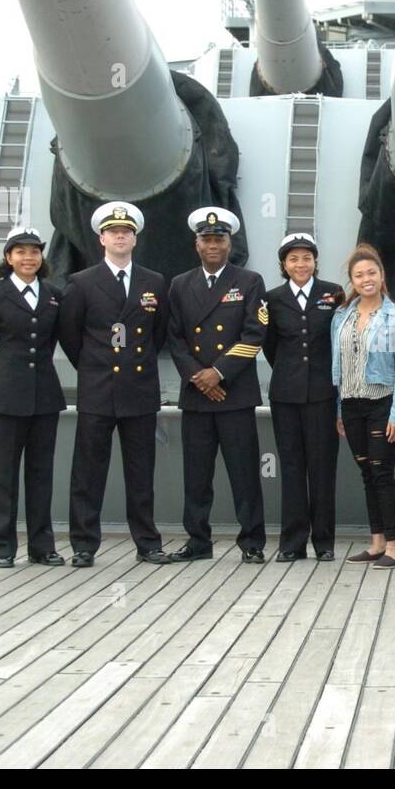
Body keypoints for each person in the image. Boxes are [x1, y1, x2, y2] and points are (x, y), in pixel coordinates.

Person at [57, 201, 171, 567]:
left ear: (135, 238)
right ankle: (84, 545)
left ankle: (148, 543)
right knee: (88, 473)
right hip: (98, 390)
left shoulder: (154, 282)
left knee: (141, 473)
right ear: (101, 237)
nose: (120, 236)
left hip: (139, 390)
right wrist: (95, 367)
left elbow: (160, 333)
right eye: (113, 231)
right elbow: (71, 336)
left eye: (127, 232)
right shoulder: (81, 283)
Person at [166, 207, 269, 564]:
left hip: (235, 394)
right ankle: (198, 541)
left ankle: (252, 542)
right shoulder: (180, 284)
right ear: (196, 245)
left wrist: (218, 373)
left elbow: (255, 334)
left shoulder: (249, 281)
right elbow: (175, 338)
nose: (213, 244)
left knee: (243, 473)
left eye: (219, 239)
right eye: (206, 239)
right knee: (196, 474)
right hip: (197, 395)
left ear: (230, 243)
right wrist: (200, 377)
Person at [0, 225, 67, 568]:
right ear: (8, 257)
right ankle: (2, 547)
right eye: (21, 251)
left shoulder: (55, 294)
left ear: (42, 257)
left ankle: (42, 546)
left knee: (41, 474)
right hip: (6, 396)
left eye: (34, 251)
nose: (28, 257)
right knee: (4, 475)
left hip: (45, 396)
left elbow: (63, 340)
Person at [332, 244, 395, 570]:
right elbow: (338, 366)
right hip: (351, 405)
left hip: (382, 405)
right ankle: (376, 543)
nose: (366, 279)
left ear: (382, 276)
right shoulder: (341, 316)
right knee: (367, 474)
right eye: (359, 275)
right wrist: (340, 409)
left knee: (383, 474)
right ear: (352, 280)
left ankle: (394, 548)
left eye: (372, 273)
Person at [263, 233, 344, 562]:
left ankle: (324, 542)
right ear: (284, 264)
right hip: (286, 396)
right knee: (293, 468)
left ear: (315, 261)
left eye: (306, 258)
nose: (301, 264)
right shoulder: (272, 298)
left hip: (324, 394)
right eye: (293, 259)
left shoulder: (333, 294)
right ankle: (292, 542)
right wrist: (290, 372)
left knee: (323, 468)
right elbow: (270, 346)